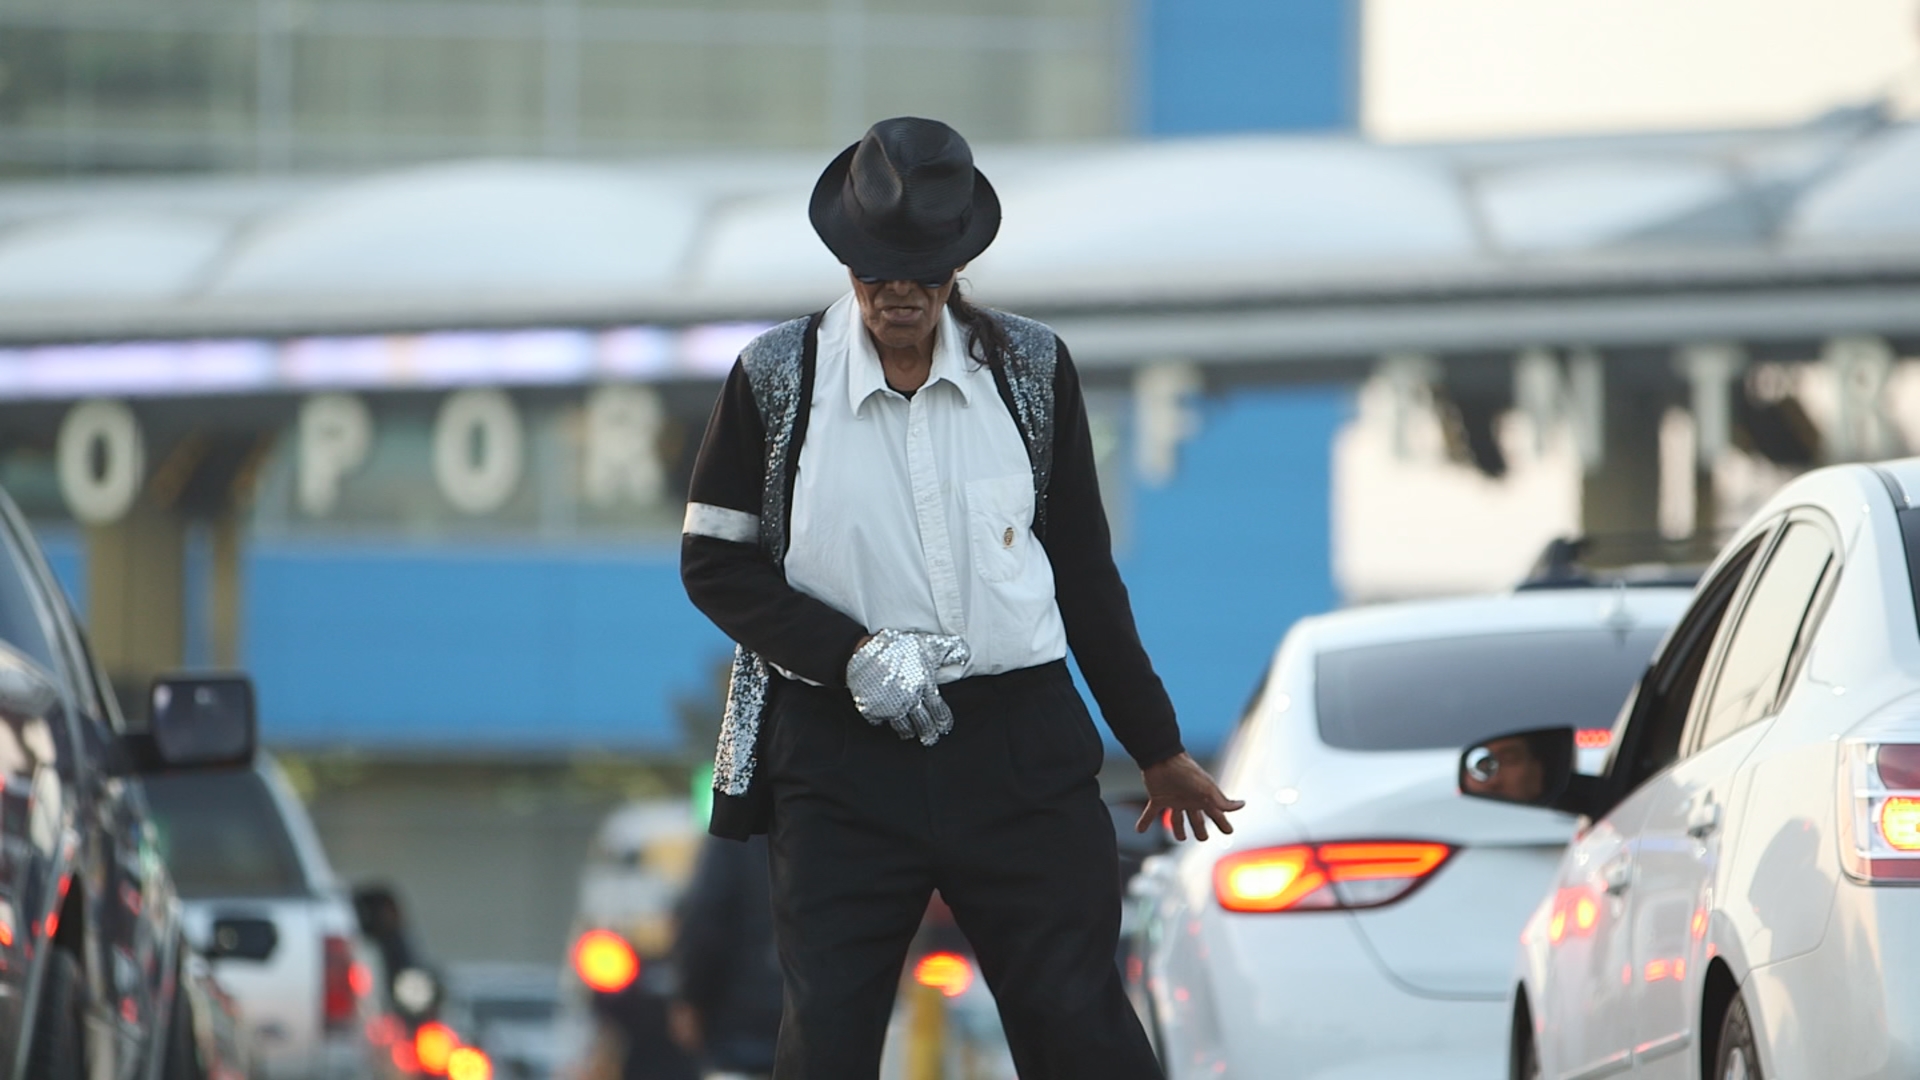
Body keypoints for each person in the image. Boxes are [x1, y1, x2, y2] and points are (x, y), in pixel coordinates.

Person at [680, 116, 1243, 1080]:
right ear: (846, 262)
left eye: (921, 274)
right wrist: (850, 654)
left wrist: (1155, 746)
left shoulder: (1028, 371)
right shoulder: (776, 378)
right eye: (875, 273)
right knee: (827, 1037)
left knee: (1079, 1023)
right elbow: (714, 562)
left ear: (957, 265)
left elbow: (1083, 571)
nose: (897, 294)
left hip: (1018, 749)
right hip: (839, 759)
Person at [669, 834, 782, 1080]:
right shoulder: (833, 822)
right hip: (817, 1022)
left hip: (741, 1027)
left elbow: (705, 921)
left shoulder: (737, 830)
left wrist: (690, 998)